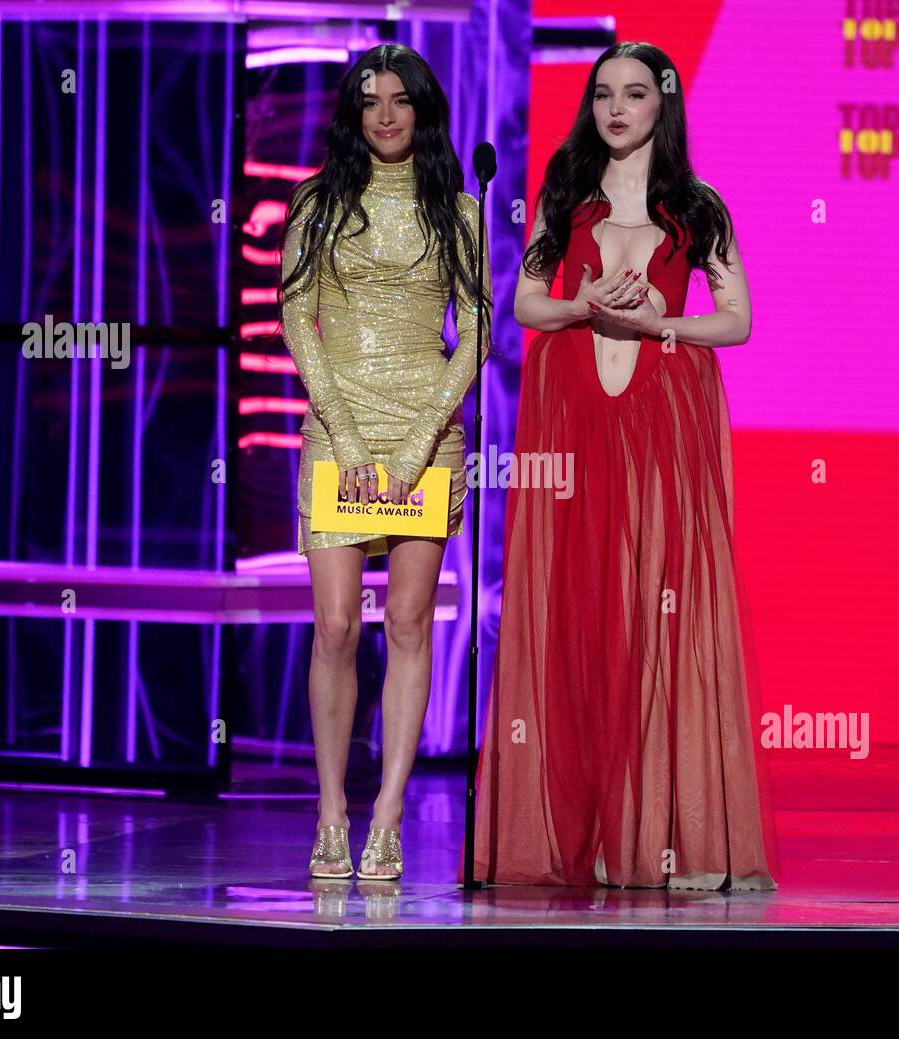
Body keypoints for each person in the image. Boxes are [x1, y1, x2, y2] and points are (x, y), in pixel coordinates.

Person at [469, 42, 778, 891]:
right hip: (573, 420)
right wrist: (581, 305)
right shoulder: (563, 193)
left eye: (634, 94)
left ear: (662, 104)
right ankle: (587, 826)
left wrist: (656, 326)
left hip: (658, 426)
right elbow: (525, 302)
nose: (615, 108)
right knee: (577, 608)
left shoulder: (697, 207)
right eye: (603, 93)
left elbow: (739, 320)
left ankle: (654, 834)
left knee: (654, 614)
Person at [279, 43, 491, 881]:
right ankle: (331, 808)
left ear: (422, 109)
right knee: (335, 625)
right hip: (340, 425)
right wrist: (357, 437)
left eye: (401, 100)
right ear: (353, 113)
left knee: (408, 623)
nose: (386, 115)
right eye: (371, 101)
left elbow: (473, 333)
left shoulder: (462, 212)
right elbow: (300, 323)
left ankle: (390, 816)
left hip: (427, 429)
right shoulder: (316, 201)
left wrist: (411, 445)